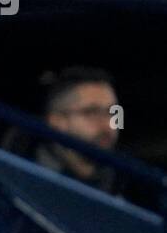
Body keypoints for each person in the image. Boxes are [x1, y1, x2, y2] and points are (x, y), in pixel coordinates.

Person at [28, 66, 124, 196]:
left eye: (113, 113)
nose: (108, 124)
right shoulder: (19, 180)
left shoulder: (130, 187)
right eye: (92, 112)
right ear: (57, 121)